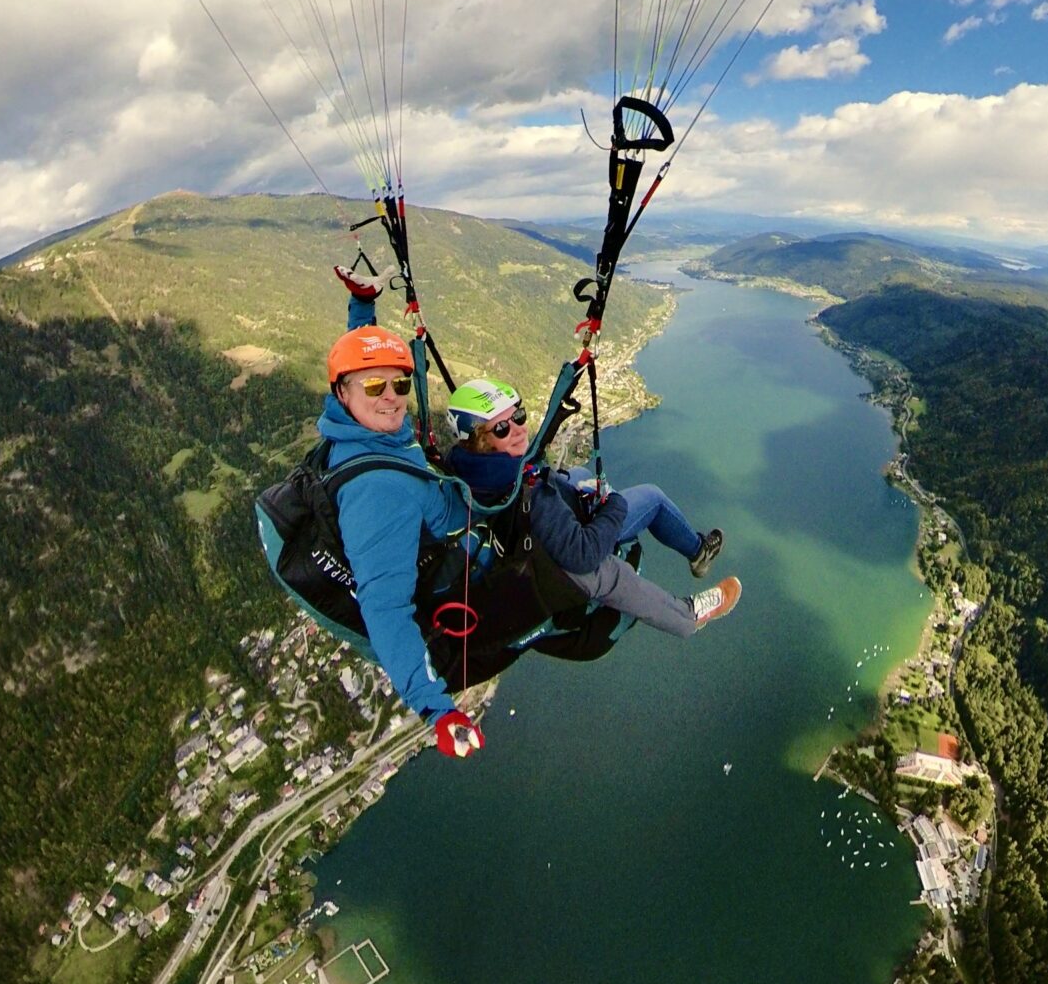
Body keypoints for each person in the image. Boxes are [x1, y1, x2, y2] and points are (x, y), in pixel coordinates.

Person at [317, 276, 486, 759]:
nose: (391, 395)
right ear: (344, 392)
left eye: (400, 382)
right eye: (375, 385)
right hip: (466, 547)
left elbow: (358, 359)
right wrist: (438, 709)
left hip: (449, 506)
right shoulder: (377, 494)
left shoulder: (354, 426)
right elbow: (385, 609)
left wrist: (363, 306)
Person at [439, 375, 740, 638]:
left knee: (580, 474)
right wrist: (613, 506)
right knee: (652, 498)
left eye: (518, 416)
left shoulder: (465, 465)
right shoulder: (528, 488)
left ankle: (587, 491)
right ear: (478, 440)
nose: (518, 429)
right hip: (566, 544)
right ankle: (697, 566)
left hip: (526, 530)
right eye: (502, 428)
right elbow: (582, 555)